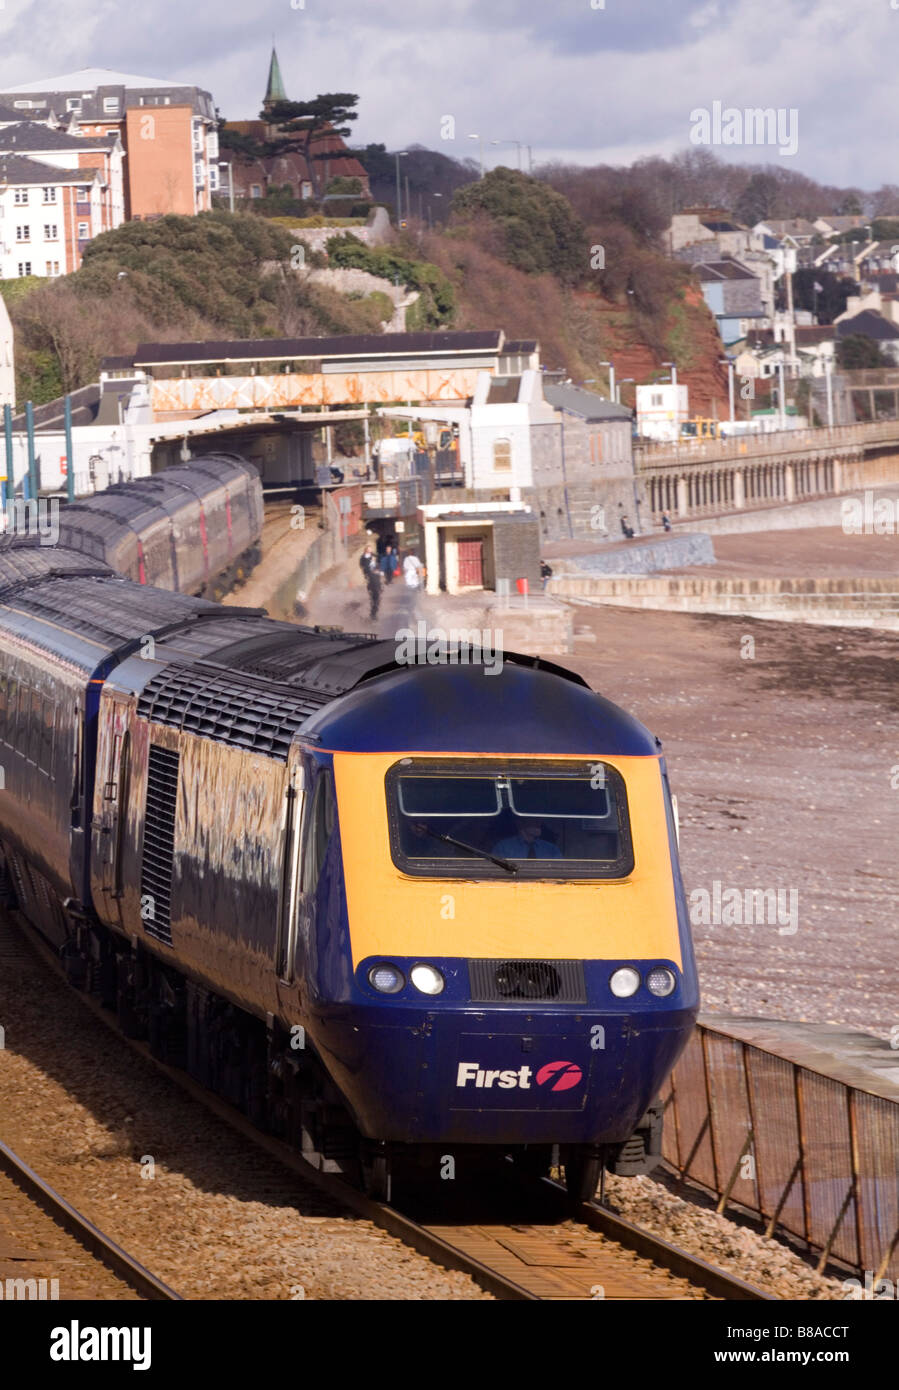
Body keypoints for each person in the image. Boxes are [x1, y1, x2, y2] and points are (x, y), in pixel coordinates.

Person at [491, 821, 562, 860]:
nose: (539, 823)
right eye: (534, 820)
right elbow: (496, 869)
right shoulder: (503, 847)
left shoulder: (551, 849)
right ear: (521, 824)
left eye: (540, 821)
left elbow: (559, 870)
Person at [359, 545, 381, 620]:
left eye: (371, 549)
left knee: (377, 596)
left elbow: (379, 559)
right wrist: (371, 571)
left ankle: (374, 613)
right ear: (365, 550)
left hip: (376, 578)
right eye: (369, 549)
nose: (370, 551)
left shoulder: (373, 557)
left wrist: (377, 569)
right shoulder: (364, 558)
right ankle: (373, 614)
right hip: (371, 579)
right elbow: (363, 566)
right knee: (374, 596)